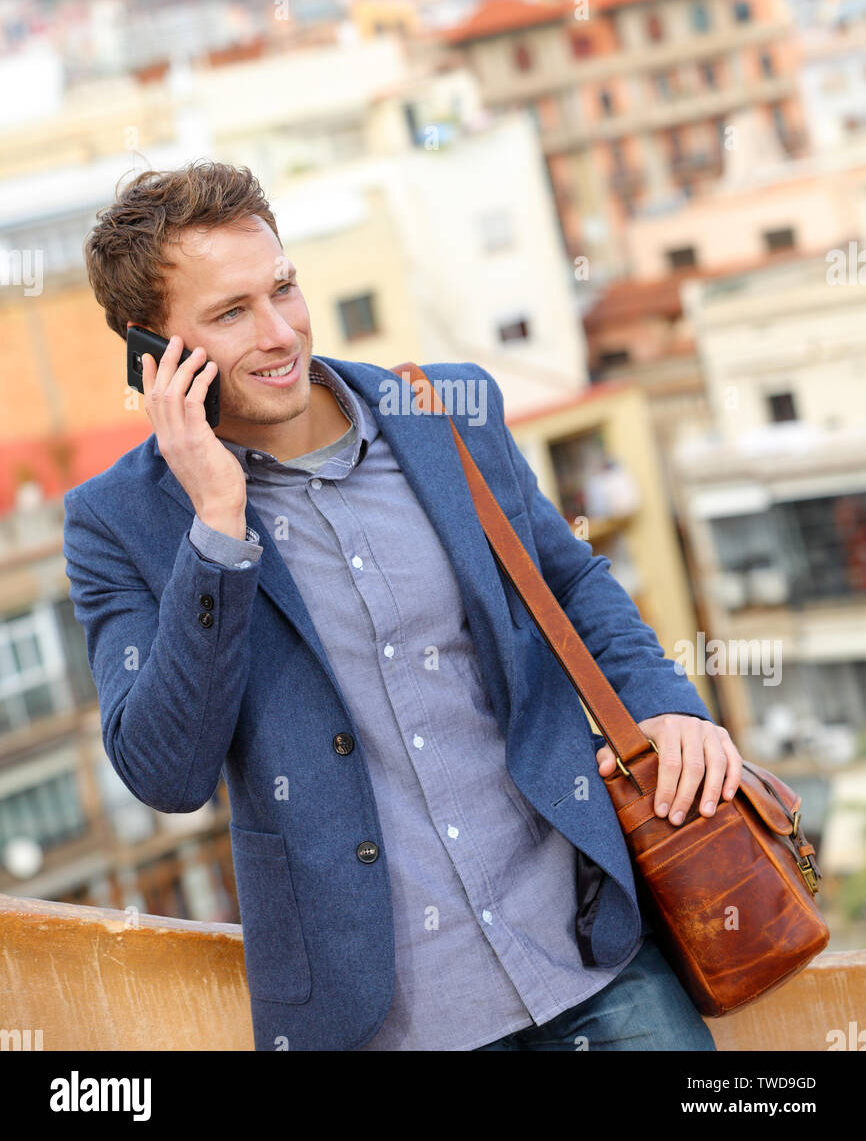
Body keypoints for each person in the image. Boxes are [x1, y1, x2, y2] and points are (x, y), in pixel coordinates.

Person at [64, 159, 741, 1052]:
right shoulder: (118, 522)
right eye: (231, 314)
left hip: (591, 951)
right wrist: (217, 526)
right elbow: (165, 773)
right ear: (153, 355)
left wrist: (665, 702)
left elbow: (569, 581)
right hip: (389, 1024)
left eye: (283, 289)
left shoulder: (445, 412)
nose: (280, 333)